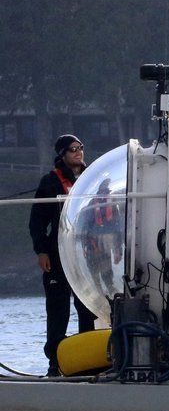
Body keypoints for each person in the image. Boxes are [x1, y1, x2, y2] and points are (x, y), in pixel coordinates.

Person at [29, 134, 96, 377]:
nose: (78, 152)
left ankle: (89, 361)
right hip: (57, 257)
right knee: (58, 311)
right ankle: (56, 364)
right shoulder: (50, 182)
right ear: (62, 155)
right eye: (72, 149)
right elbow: (37, 221)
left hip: (85, 256)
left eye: (80, 148)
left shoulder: (92, 178)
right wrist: (42, 251)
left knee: (88, 309)